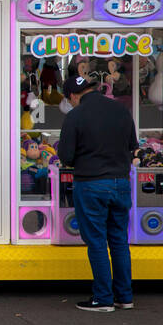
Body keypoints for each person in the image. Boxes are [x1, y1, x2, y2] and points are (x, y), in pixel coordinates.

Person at [55, 73, 138, 311]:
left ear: (72, 95)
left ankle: (102, 298)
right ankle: (124, 297)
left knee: (97, 242)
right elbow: (132, 146)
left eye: (69, 99)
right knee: (119, 241)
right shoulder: (121, 110)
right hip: (121, 182)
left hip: (91, 183)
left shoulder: (75, 116)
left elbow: (67, 157)